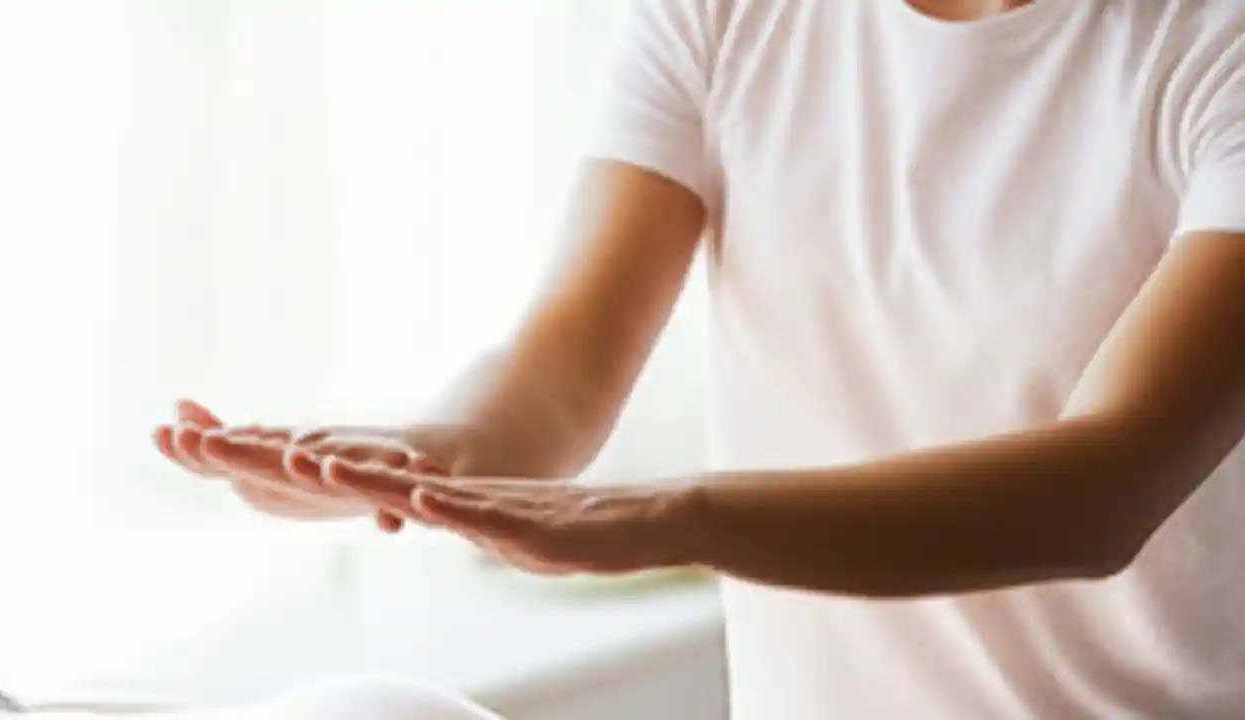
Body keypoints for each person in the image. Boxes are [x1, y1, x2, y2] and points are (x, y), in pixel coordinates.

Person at [156, 0, 1245, 717]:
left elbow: (1105, 486)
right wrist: (419, 452)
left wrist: (670, 515)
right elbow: (561, 362)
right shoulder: (723, 13)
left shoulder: (1208, 45)